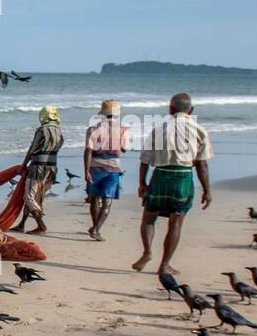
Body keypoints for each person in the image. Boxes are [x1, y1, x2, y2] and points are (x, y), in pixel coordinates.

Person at [132, 92, 212, 274]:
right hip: (183, 176)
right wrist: (207, 190)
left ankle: (147, 251)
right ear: (190, 110)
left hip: (160, 175)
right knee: (176, 223)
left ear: (170, 109)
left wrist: (142, 183)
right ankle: (164, 265)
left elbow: (144, 160)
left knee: (148, 218)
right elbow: (202, 164)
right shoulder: (199, 130)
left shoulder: (160, 129)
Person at [11, 105, 64, 235]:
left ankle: (41, 226)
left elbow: (32, 149)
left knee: (29, 196)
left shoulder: (42, 130)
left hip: (38, 167)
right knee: (38, 197)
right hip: (52, 167)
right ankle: (22, 224)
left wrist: (23, 165)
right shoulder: (59, 131)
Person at [83, 99, 127, 241]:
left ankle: (95, 227)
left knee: (94, 199)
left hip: (95, 167)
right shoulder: (122, 130)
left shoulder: (93, 129)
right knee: (107, 202)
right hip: (113, 168)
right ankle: (96, 229)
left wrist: (86, 171)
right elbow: (124, 148)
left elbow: (88, 151)